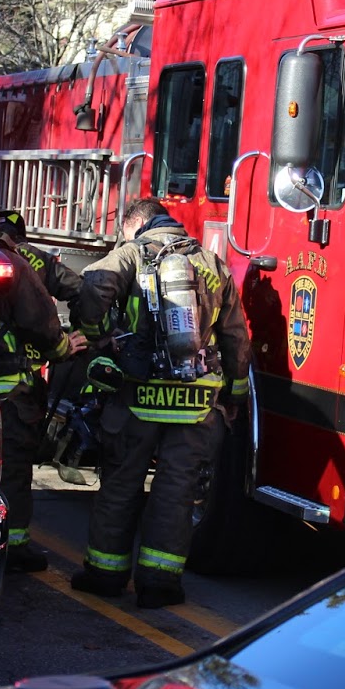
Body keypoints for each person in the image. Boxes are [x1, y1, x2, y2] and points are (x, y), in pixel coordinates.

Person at [69, 197, 250, 608]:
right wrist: (235, 395)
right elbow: (236, 338)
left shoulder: (131, 253)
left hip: (137, 396)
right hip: (196, 403)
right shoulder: (212, 263)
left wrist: (97, 334)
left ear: (136, 223)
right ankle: (160, 584)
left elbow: (96, 283)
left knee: (122, 482)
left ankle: (105, 574)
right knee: (177, 489)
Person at [0, 196, 88, 572]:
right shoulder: (11, 262)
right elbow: (40, 320)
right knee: (10, 469)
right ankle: (13, 547)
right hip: (9, 391)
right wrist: (64, 348)